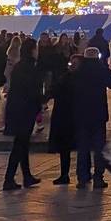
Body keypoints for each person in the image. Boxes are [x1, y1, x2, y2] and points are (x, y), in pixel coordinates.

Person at [3, 37, 44, 190]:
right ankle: (9, 178)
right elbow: (31, 89)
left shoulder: (22, 66)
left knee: (22, 144)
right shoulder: (29, 67)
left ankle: (26, 176)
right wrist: (39, 102)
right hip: (24, 110)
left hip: (19, 109)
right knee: (20, 144)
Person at [72, 46, 111, 188]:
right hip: (99, 113)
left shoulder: (79, 71)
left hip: (82, 113)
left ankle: (82, 177)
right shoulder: (101, 69)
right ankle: (98, 177)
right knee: (99, 148)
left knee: (83, 147)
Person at [45, 52, 80, 185]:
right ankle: (66, 174)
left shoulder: (70, 79)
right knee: (66, 148)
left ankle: (80, 174)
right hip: (66, 117)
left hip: (69, 116)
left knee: (73, 147)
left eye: (75, 64)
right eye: (71, 63)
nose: (71, 66)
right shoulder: (65, 77)